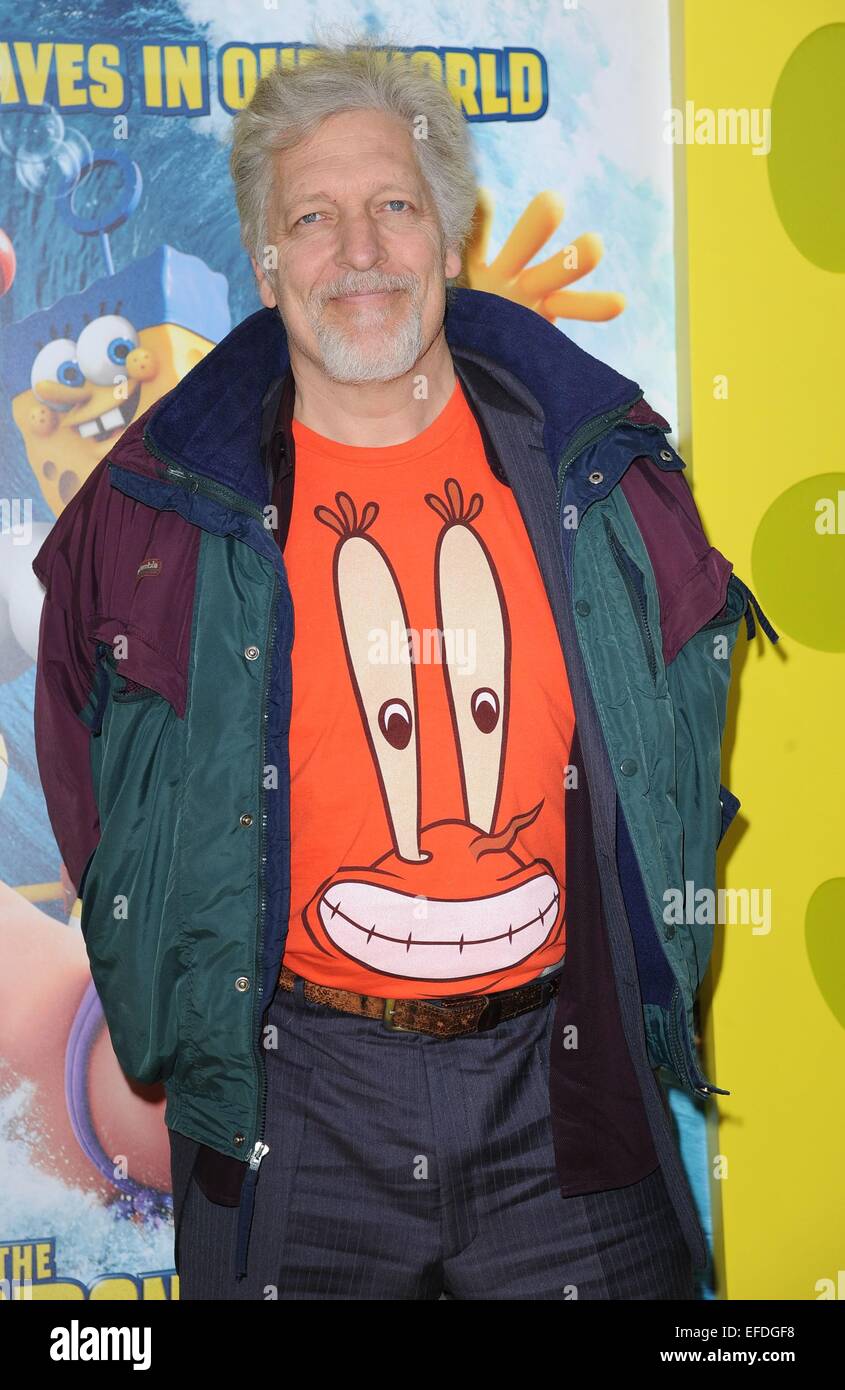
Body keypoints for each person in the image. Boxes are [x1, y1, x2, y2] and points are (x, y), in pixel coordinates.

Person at [31, 38, 771, 1300]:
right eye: (312, 217)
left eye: (393, 206)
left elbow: (677, 719)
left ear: (448, 236)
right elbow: (82, 746)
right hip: (293, 1095)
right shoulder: (156, 509)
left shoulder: (598, 461)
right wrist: (164, 971)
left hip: (565, 1076)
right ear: (264, 261)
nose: (359, 252)